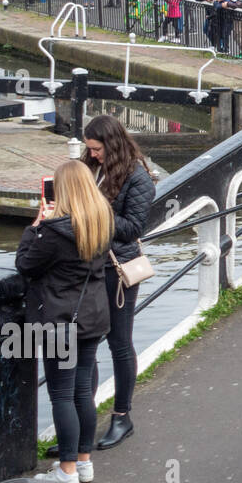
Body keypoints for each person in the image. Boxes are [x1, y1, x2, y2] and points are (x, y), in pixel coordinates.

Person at [16, 160, 113, 483]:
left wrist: (35, 225)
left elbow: (25, 265)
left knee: (61, 395)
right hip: (92, 317)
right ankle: (84, 463)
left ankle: (66, 471)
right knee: (83, 390)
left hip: (60, 321)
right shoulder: (102, 222)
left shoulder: (54, 232)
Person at [74, 115, 155, 451]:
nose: (92, 155)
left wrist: (92, 212)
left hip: (116, 268)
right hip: (85, 266)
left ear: (112, 144)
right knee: (85, 343)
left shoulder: (139, 178)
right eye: (89, 149)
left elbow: (133, 227)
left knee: (119, 343)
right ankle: (81, 421)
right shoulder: (89, 166)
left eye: (96, 149)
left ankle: (122, 416)